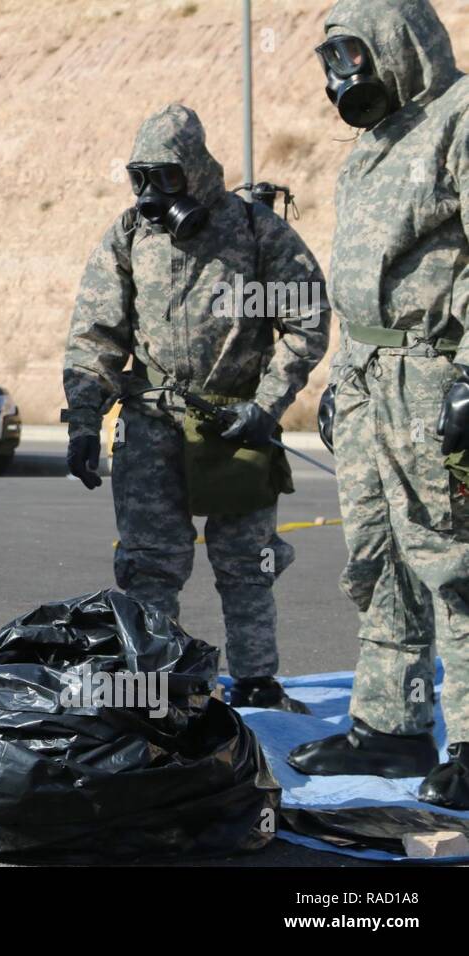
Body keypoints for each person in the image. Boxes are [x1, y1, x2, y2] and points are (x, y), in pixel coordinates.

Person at [62, 104, 330, 712]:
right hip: (152, 424)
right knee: (149, 566)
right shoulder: (129, 235)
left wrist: (268, 405)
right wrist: (83, 422)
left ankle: (257, 681)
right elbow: (94, 338)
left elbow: (306, 317)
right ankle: (160, 683)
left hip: (237, 424)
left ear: (199, 173)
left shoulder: (257, 230)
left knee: (247, 563)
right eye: (141, 178)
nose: (153, 193)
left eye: (168, 177)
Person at [288, 0, 469, 810]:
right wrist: (341, 375)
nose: (342, 77)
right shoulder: (369, 148)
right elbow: (363, 278)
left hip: (434, 377)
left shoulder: (458, 120)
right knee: (378, 559)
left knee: (457, 566)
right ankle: (391, 727)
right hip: (367, 382)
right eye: (332, 61)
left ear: (397, 45)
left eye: (353, 55)